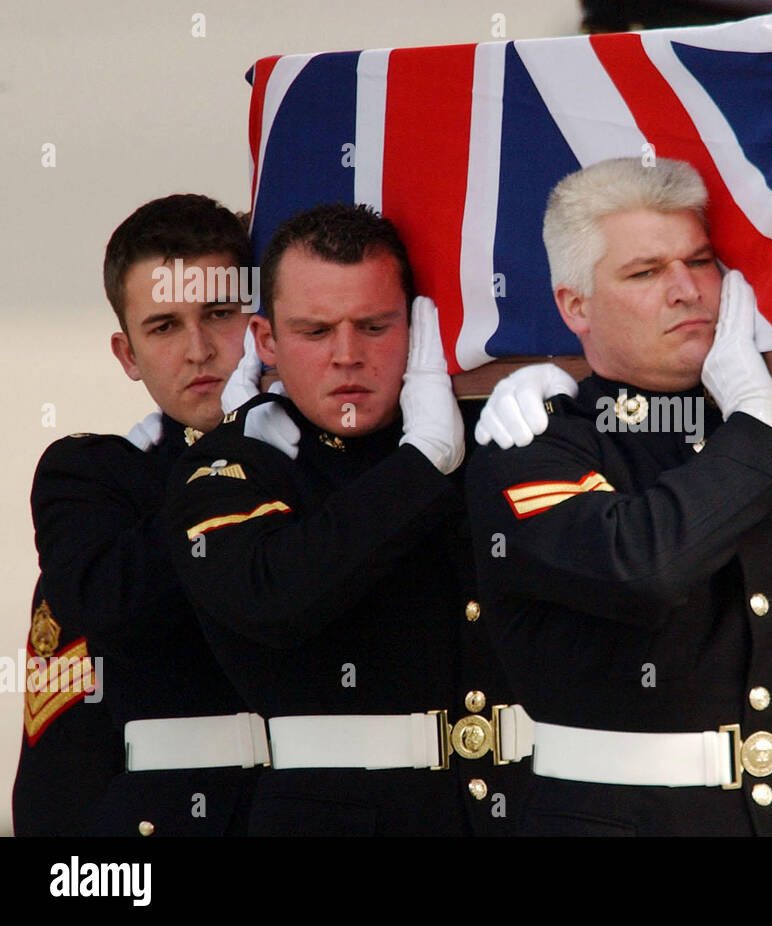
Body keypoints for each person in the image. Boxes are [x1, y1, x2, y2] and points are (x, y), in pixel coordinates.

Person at [465, 157, 772, 836]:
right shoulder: (531, 441)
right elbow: (643, 564)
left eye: (700, 261)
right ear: (574, 304)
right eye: (645, 272)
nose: (687, 290)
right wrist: (753, 423)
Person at [167, 202, 528, 836]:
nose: (347, 355)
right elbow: (274, 598)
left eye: (374, 326)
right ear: (267, 341)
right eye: (314, 331)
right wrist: (420, 465)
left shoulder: (484, 445)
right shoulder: (232, 467)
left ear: (415, 329)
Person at [16, 194, 263, 837]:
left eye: (220, 313)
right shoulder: (96, 479)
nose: (199, 350)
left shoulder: (339, 470)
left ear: (266, 321)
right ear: (127, 355)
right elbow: (114, 610)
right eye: (164, 327)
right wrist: (234, 455)